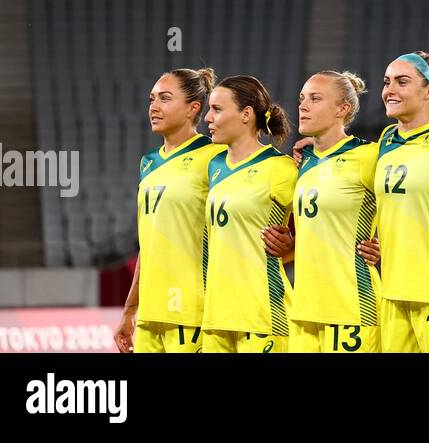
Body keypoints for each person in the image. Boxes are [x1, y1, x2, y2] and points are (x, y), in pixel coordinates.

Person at [360, 52, 429, 353]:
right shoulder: (386, 140)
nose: (389, 90)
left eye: (402, 81)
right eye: (386, 82)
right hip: (393, 293)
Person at [115, 68, 223, 353]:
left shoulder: (216, 157)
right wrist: (130, 309)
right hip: (151, 313)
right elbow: (148, 243)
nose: (154, 107)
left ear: (193, 108)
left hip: (192, 310)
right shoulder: (148, 163)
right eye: (152, 99)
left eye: (165, 98)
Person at [285, 71, 381, 353]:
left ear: (343, 109)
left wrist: (384, 245)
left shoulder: (368, 156)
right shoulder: (302, 162)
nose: (303, 105)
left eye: (315, 99)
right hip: (305, 309)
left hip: (352, 304)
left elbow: (409, 203)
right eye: (302, 98)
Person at [200, 75, 297, 353]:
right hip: (217, 316)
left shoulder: (281, 168)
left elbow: (319, 226)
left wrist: (291, 246)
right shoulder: (214, 166)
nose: (208, 118)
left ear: (246, 114)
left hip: (263, 313)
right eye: (209, 108)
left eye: (217, 109)